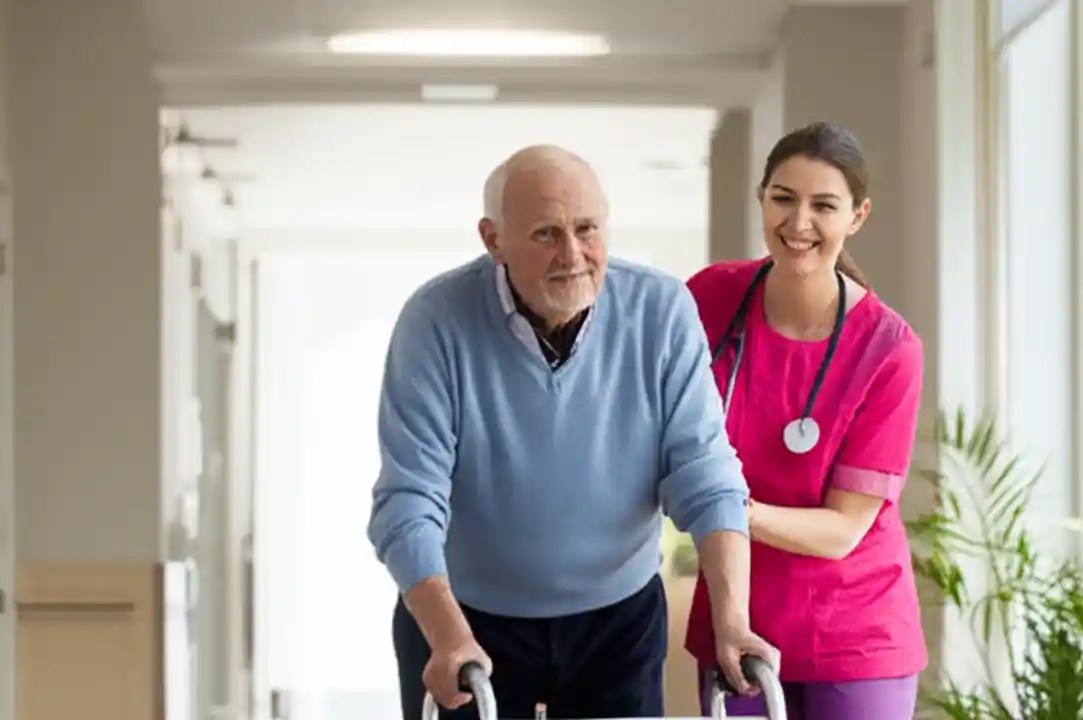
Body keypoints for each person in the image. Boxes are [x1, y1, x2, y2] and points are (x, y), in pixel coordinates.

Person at [367, 144, 779, 720]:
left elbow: (705, 475)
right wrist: (446, 633)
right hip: (467, 617)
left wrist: (733, 622)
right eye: (545, 234)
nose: (573, 254)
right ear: (493, 240)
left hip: (616, 617)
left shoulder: (659, 310)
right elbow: (409, 502)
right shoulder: (436, 321)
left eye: (587, 229)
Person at [683, 122, 928, 719]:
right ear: (761, 199)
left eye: (824, 206)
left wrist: (724, 508)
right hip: (735, 612)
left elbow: (843, 530)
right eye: (783, 199)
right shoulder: (709, 299)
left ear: (857, 217)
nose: (799, 224)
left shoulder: (889, 349)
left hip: (855, 632)